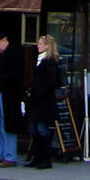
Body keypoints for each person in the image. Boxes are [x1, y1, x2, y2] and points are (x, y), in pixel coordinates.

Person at [0, 31, 24, 167]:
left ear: (5, 40)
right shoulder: (1, 55)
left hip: (9, 95)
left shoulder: (14, 54)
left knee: (7, 125)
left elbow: (15, 75)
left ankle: (10, 156)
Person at [25, 35, 62, 170]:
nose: (38, 46)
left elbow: (52, 82)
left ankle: (45, 159)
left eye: (40, 44)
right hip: (36, 101)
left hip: (44, 102)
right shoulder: (40, 60)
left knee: (42, 129)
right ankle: (37, 157)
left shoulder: (50, 62)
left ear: (47, 46)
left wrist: (40, 91)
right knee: (35, 129)